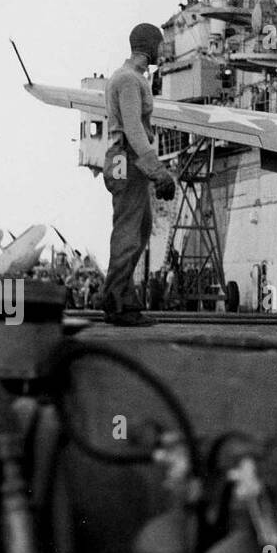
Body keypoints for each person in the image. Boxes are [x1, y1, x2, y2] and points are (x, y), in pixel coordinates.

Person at [101, 23, 178, 326]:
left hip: (123, 159)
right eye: (161, 44)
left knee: (139, 227)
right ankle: (118, 302)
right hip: (127, 158)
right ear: (150, 47)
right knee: (130, 231)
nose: (164, 50)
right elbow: (134, 128)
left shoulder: (125, 77)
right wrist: (157, 171)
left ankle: (120, 297)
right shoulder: (130, 80)